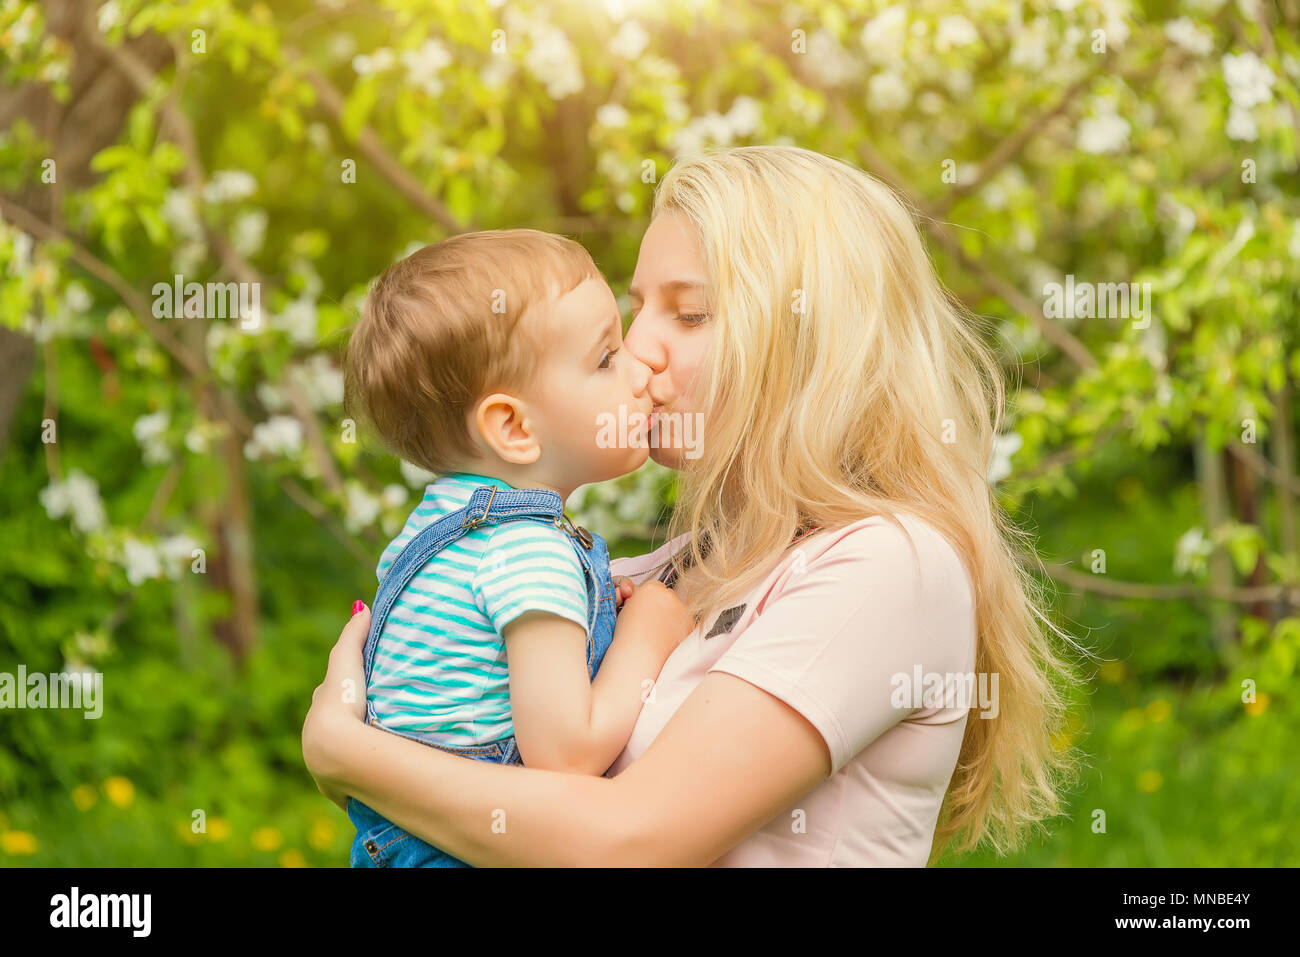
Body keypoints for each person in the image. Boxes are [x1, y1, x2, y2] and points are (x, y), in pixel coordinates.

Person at [303, 145, 1079, 866]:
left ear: (809, 343)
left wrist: (347, 752)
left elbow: (631, 843)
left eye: (690, 313)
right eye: (636, 309)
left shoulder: (888, 567)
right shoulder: (674, 569)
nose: (640, 349)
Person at [339, 229, 692, 866]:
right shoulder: (529, 553)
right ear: (513, 427)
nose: (640, 369)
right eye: (606, 359)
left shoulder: (441, 531)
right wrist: (646, 630)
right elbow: (567, 755)